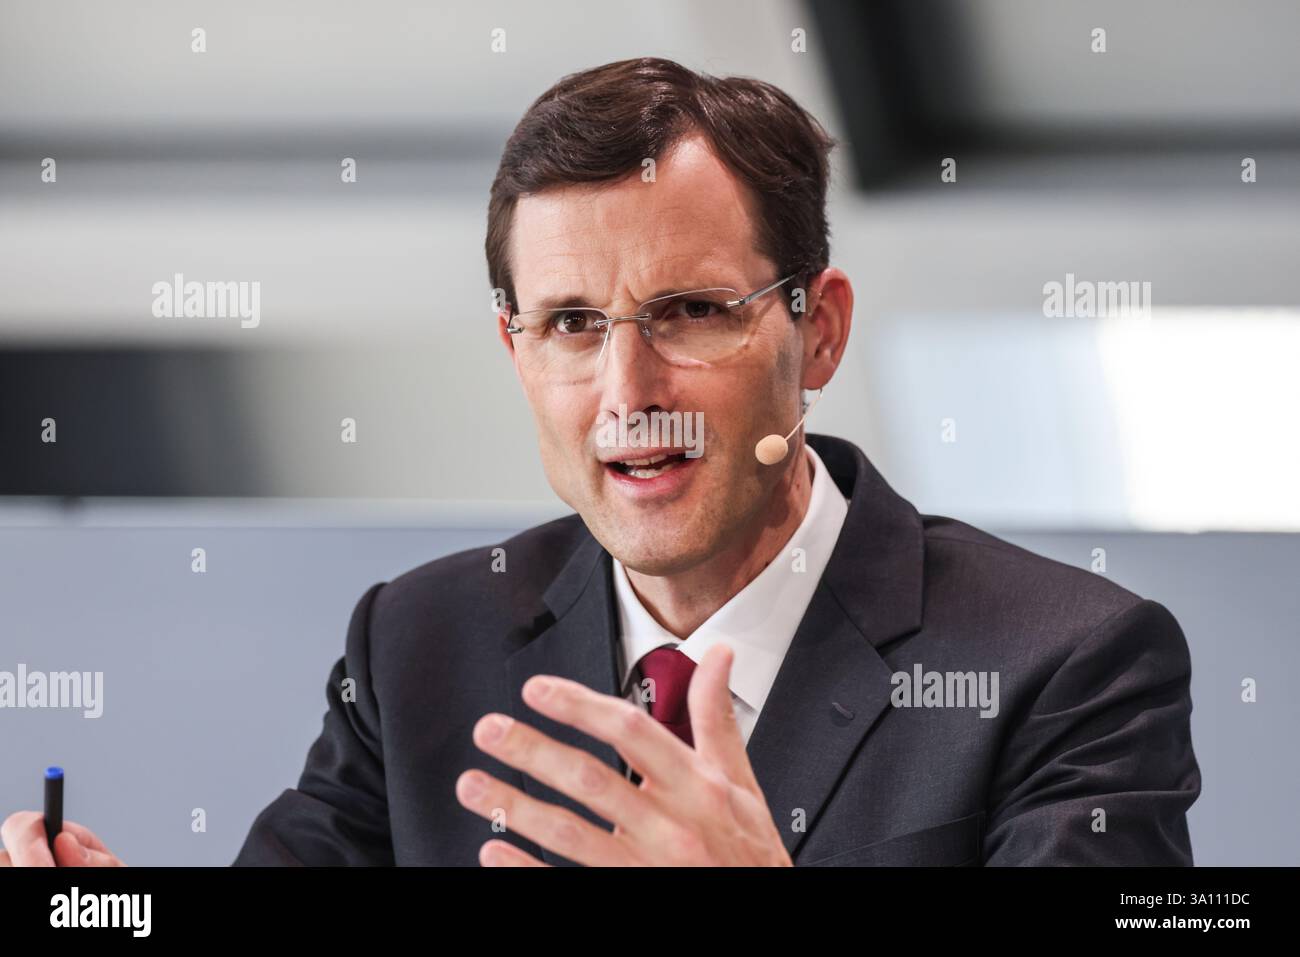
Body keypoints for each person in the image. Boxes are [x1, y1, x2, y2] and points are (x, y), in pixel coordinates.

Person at [1, 57, 1199, 868]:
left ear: (818, 328)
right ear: (515, 349)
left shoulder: (1072, 662)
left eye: (686, 311)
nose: (629, 393)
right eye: (572, 325)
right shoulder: (418, 645)